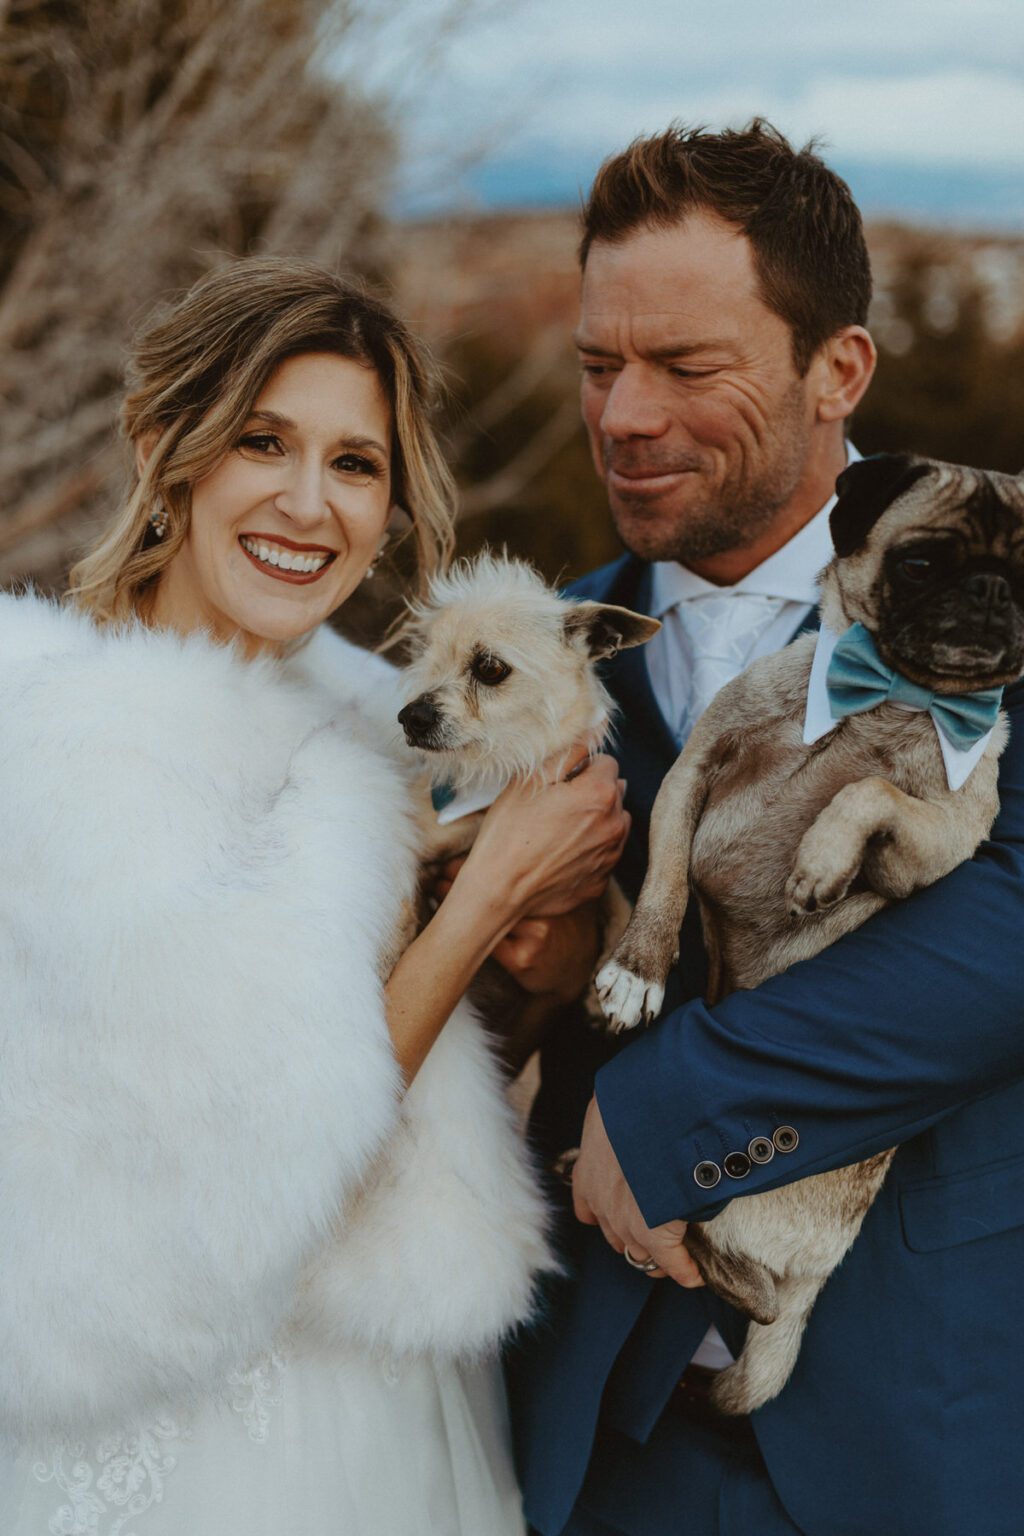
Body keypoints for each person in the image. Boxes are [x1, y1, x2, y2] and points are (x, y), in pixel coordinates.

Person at [0, 257, 631, 1536]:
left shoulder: (366, 716)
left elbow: (418, 1060)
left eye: (356, 463)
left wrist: (537, 940)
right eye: (263, 442)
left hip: (408, 1379)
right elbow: (256, 1155)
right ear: (164, 444)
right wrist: (482, 892)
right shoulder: (74, 737)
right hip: (213, 1430)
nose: (308, 502)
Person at [503, 123, 1024, 1536]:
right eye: (601, 366)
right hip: (596, 1443)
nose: (621, 417)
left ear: (837, 371)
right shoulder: (541, 651)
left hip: (921, 1435)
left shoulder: (1000, 597)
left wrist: (673, 1109)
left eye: (685, 366)